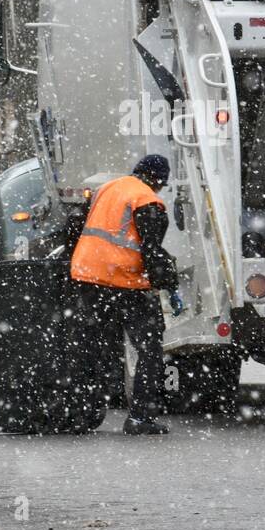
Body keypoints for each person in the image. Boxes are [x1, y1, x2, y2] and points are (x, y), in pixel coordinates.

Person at [70, 154, 182, 435]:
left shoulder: (107, 188)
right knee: (149, 350)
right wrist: (168, 283)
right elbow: (152, 250)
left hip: (88, 277)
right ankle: (140, 417)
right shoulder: (148, 200)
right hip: (125, 282)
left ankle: (87, 414)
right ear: (158, 180)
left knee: (96, 348)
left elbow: (74, 226)